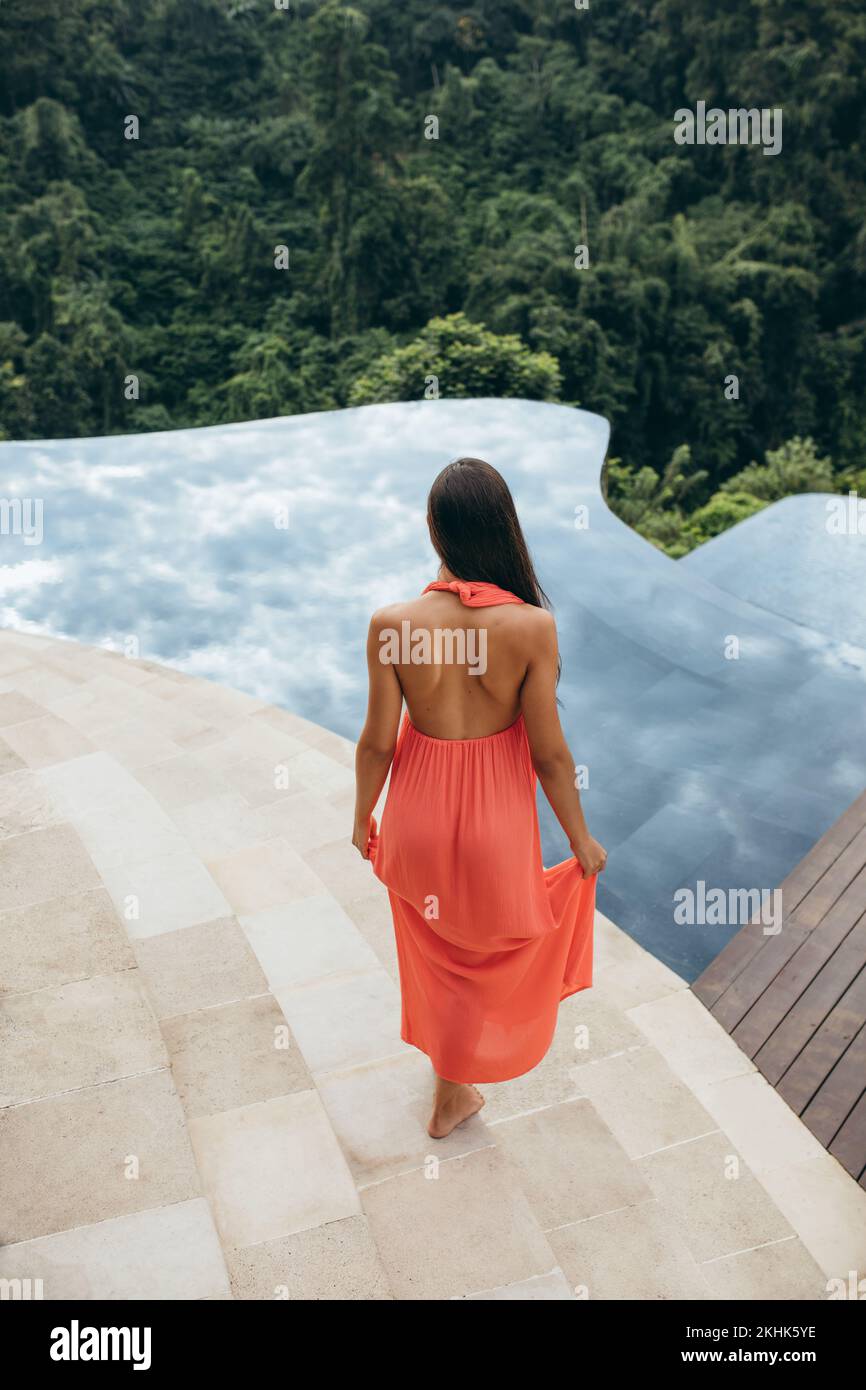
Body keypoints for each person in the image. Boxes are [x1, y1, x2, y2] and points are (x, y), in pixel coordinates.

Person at [352, 457, 606, 1139]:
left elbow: (377, 742)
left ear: (433, 530)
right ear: (504, 530)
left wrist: (361, 818)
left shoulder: (392, 624)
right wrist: (580, 840)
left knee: (434, 948)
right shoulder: (531, 627)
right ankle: (457, 1085)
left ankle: (450, 1087)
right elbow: (551, 755)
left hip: (418, 817)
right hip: (494, 821)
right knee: (487, 953)